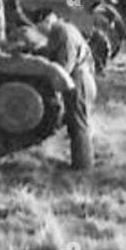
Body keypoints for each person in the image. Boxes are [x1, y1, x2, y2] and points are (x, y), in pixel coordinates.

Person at [34, 10, 96, 170]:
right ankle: (81, 163)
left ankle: (82, 166)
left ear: (46, 21)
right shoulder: (61, 30)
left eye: (39, 28)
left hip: (79, 79)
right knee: (76, 122)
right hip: (79, 76)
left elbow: (64, 67)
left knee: (79, 123)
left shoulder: (63, 33)